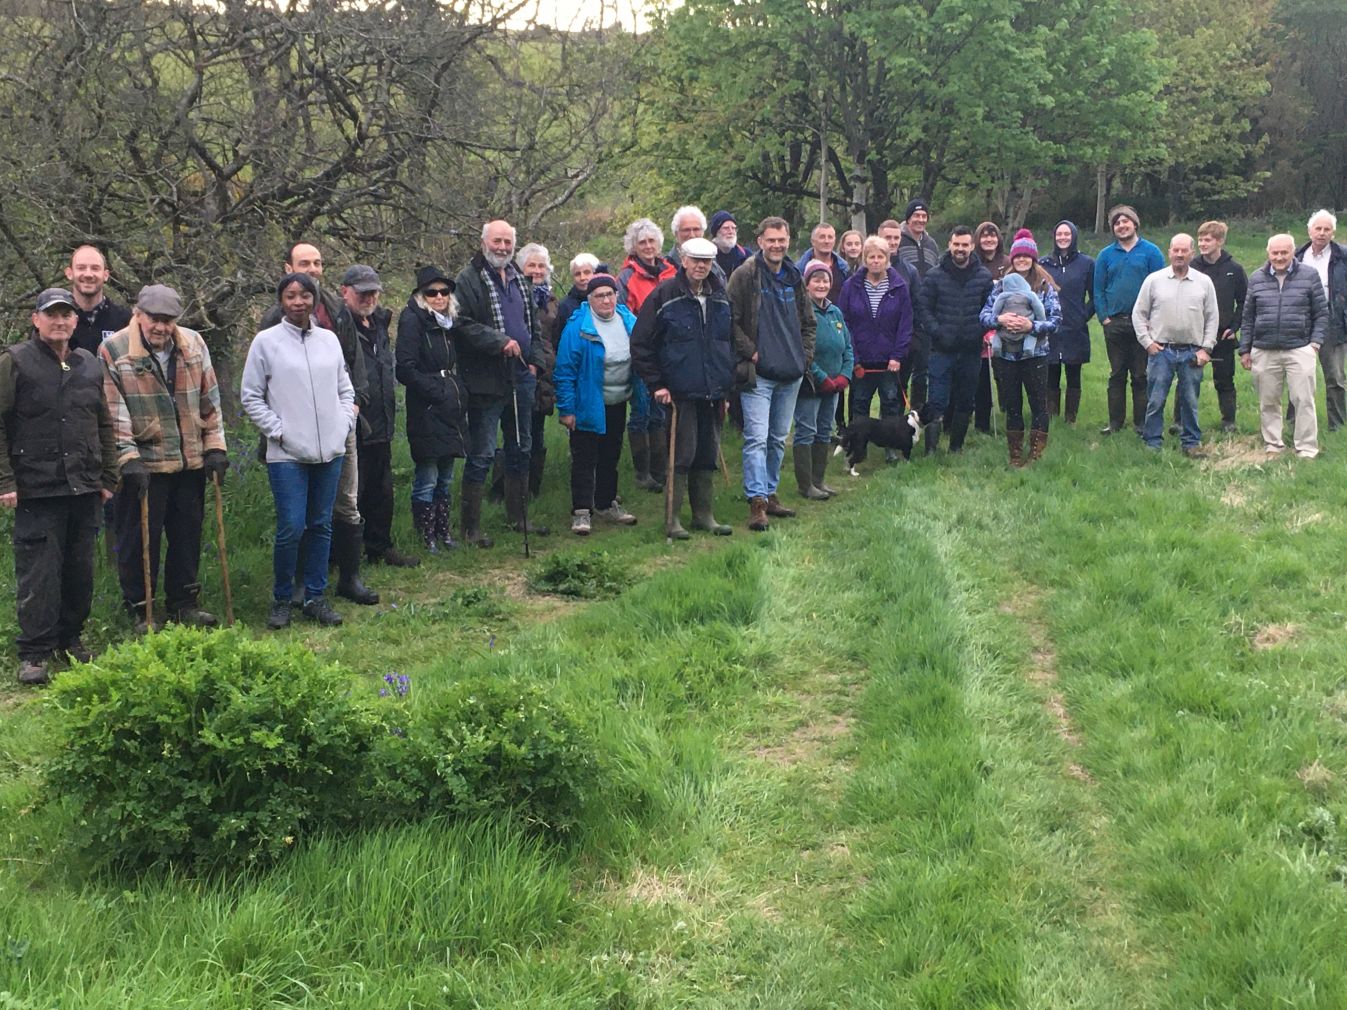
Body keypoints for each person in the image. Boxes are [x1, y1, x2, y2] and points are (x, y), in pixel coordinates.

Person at [0, 289, 118, 684]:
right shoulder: (15, 361)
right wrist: (6, 480)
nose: (60, 321)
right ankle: (34, 653)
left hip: (84, 486)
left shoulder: (88, 364)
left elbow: (103, 423)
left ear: (74, 321)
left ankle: (71, 640)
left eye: (66, 315)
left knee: (79, 571)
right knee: (39, 574)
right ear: (36, 319)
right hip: (37, 488)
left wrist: (108, 476)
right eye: (52, 315)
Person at [99, 284, 227, 633]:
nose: (161, 327)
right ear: (138, 314)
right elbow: (113, 411)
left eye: (168, 320)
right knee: (140, 538)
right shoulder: (114, 349)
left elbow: (210, 399)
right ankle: (142, 608)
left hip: (189, 458)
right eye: (154, 319)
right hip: (144, 461)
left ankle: (184, 602)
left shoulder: (195, 343)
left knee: (187, 533)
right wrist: (127, 459)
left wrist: (215, 446)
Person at [261, 241, 377, 606]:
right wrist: (275, 429)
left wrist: (354, 408)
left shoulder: (336, 311)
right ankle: (298, 585)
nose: (312, 269)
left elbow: (353, 363)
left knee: (346, 503)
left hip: (339, 427)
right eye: (304, 263)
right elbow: (259, 387)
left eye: (317, 263)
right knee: (300, 516)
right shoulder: (270, 322)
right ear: (287, 267)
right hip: (292, 435)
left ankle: (349, 577)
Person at [241, 273, 354, 629]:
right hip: (287, 454)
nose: (299, 302)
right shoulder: (266, 342)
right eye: (291, 296)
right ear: (281, 301)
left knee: (321, 524)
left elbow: (345, 389)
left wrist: (343, 424)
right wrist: (278, 431)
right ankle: (282, 598)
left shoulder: (329, 341)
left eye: (305, 295)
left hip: (330, 452)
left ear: (314, 299)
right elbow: (251, 395)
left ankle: (315, 597)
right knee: (292, 526)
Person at [631, 237, 735, 539]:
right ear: (683, 259)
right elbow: (640, 344)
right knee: (680, 456)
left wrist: (726, 389)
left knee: (707, 454)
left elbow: (726, 343)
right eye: (695, 260)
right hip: (679, 392)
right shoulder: (663, 295)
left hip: (713, 390)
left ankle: (704, 516)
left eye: (706, 261)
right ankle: (672, 520)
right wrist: (657, 384)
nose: (701, 266)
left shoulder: (720, 296)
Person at [454, 219, 549, 543]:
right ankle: (470, 529)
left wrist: (536, 361)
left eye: (508, 242)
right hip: (486, 380)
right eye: (497, 241)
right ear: (484, 242)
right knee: (481, 452)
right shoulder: (468, 279)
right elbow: (461, 323)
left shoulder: (521, 279)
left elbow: (533, 324)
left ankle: (517, 518)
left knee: (521, 447)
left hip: (522, 377)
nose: (503, 248)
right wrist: (499, 341)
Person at [728, 216, 815, 531]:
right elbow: (730, 319)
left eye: (782, 239)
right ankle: (757, 503)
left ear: (789, 240)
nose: (777, 245)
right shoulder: (745, 276)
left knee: (778, 438)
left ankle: (771, 491)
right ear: (760, 241)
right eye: (771, 240)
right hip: (759, 373)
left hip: (791, 372)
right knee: (756, 438)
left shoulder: (794, 275)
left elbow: (808, 321)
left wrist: (804, 357)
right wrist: (749, 350)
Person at [339, 265, 419, 570]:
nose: (369, 297)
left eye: (373, 291)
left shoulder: (380, 324)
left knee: (382, 489)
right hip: (354, 419)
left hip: (382, 418)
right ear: (345, 291)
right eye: (362, 292)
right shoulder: (339, 327)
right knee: (351, 493)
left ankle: (379, 546)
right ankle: (346, 555)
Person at [554, 274, 641, 535]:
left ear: (617, 295)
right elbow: (564, 371)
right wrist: (567, 409)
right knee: (585, 457)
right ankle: (581, 512)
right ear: (589, 299)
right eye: (599, 295)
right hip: (587, 404)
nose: (606, 300)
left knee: (610, 455)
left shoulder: (628, 321)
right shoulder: (578, 327)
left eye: (610, 294)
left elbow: (644, 352)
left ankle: (606, 503)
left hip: (617, 401)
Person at [395, 266, 468, 553]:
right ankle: (425, 537)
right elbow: (405, 368)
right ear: (421, 295)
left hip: (451, 405)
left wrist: (456, 390)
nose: (439, 297)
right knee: (428, 476)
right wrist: (435, 390)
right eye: (432, 292)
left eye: (444, 292)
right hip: (427, 407)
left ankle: (443, 532)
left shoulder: (449, 322)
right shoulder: (413, 321)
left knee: (447, 475)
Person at [1240, 234, 1329, 458]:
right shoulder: (1257, 278)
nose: (1279, 257)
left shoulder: (1309, 275)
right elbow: (1248, 317)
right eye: (1275, 253)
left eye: (1284, 253)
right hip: (1264, 349)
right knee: (1268, 401)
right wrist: (1245, 349)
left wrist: (1315, 344)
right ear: (1268, 253)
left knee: (1303, 400)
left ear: (1293, 252)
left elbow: (1321, 313)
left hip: (1299, 348)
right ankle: (1273, 444)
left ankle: (1306, 448)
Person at [1131, 234, 1218, 456]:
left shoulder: (1204, 282)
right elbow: (1138, 314)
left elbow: (1212, 317)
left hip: (1192, 351)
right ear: (1169, 252)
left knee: (1190, 401)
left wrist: (1206, 349)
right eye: (1175, 250)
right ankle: (1152, 443)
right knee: (1156, 399)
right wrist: (1147, 343)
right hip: (1161, 351)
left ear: (1192, 253)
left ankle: (1191, 443)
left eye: (1184, 251)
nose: (1179, 255)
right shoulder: (1154, 280)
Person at [980, 230, 1061, 464]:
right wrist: (1000, 321)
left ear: (1033, 258)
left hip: (1035, 354)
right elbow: (984, 314)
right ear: (1012, 259)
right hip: (1005, 354)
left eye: (1026, 256)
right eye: (1018, 257)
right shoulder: (1001, 286)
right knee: (1012, 404)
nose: (1022, 260)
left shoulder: (1044, 287)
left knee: (1038, 403)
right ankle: (1015, 454)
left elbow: (1056, 321)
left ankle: (1036, 452)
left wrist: (1030, 325)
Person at [916, 226, 995, 454]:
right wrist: (937, 331)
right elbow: (923, 308)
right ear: (950, 245)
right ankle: (931, 450)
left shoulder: (983, 277)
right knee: (938, 400)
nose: (960, 249)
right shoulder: (934, 276)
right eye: (956, 244)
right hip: (942, 349)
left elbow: (989, 309)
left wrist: (980, 331)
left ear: (972, 246)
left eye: (965, 245)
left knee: (965, 401)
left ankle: (956, 448)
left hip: (971, 350)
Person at [616, 218, 677, 494]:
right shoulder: (626, 277)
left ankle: (661, 470)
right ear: (633, 246)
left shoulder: (672, 271)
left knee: (661, 411)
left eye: (652, 241)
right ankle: (642, 473)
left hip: (671, 350)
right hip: (642, 351)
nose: (648, 246)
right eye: (642, 242)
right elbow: (624, 314)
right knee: (641, 409)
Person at [1094, 204, 1165, 434]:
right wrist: (1104, 317)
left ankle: (1141, 423)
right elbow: (1098, 289)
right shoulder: (1105, 255)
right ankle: (1115, 423)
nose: (1121, 226)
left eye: (1126, 221)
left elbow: (1160, 287)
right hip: (1114, 323)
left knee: (1140, 375)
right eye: (1116, 223)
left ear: (1135, 224)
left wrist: (1153, 321)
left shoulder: (1151, 252)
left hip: (1143, 324)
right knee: (1116, 375)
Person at [837, 236, 911, 446]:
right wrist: (854, 357)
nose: (876, 261)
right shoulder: (851, 286)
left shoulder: (899, 287)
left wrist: (898, 355)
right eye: (871, 257)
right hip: (861, 359)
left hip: (889, 361)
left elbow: (905, 324)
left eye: (880, 256)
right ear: (864, 259)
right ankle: (856, 445)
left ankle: (890, 446)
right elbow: (844, 322)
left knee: (890, 401)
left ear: (887, 259)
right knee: (859, 403)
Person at [793, 260, 855, 498]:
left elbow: (847, 346)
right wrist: (820, 377)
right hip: (810, 383)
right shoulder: (802, 311)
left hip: (835, 385)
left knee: (824, 431)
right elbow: (801, 348)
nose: (822, 284)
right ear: (807, 284)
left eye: (825, 280)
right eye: (816, 280)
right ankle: (805, 485)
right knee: (806, 430)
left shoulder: (834, 311)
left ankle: (819, 480)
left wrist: (845, 375)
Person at [1189, 220, 1247, 434]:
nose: (1203, 243)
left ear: (1220, 241)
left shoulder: (1235, 269)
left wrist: (1234, 326)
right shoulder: (1192, 267)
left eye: (1208, 239)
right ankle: (1181, 420)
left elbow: (1244, 301)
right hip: (1194, 334)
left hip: (1223, 334)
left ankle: (1229, 421)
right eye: (1200, 239)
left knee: (1224, 379)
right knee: (1189, 379)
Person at [515, 243, 559, 499]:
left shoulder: (551, 300)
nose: (537, 270)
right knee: (521, 431)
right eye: (531, 265)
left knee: (538, 430)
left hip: (546, 374)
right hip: (525, 369)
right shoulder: (516, 296)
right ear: (521, 269)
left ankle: (533, 488)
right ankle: (510, 489)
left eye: (541, 265)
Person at [1040, 220, 1095, 425]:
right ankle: (1052, 417)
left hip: (1075, 328)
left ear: (1073, 236)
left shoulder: (1087, 263)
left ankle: (1070, 419)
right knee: (1051, 372)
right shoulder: (1044, 264)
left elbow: (1095, 295)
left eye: (1067, 234)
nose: (1063, 238)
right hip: (1050, 328)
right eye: (1059, 234)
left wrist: (1084, 315)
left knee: (1074, 373)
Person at [1297, 210, 1347, 430]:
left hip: (1332, 321)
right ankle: (1296, 423)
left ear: (1333, 233)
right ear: (1309, 231)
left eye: (1327, 229)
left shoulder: (1343, 257)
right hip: (1301, 321)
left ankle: (1338, 425)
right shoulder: (1297, 256)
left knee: (1335, 378)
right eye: (1318, 228)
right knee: (1297, 375)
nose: (1322, 233)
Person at [972, 222, 1010, 432]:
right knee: (981, 378)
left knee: (1004, 372)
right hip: (980, 325)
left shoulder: (1006, 262)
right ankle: (981, 420)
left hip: (1004, 324)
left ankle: (1007, 408)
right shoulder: (973, 263)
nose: (989, 240)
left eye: (992, 236)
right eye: (984, 236)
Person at [66, 245, 132, 357]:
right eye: (81, 268)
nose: (88, 274)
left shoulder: (125, 320)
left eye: (95, 268)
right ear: (69, 273)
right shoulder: (57, 321)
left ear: (106, 275)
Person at [796, 223, 849, 301]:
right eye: (822, 237)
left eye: (830, 237)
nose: (826, 241)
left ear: (834, 241)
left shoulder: (844, 270)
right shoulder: (799, 270)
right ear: (813, 241)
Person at [896, 198, 941, 279]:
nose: (921, 220)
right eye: (916, 216)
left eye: (924, 216)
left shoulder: (932, 244)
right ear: (908, 219)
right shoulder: (897, 241)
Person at [709, 210, 750, 278]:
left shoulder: (746, 255)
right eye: (726, 228)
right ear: (716, 232)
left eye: (733, 228)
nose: (731, 232)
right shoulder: (707, 255)